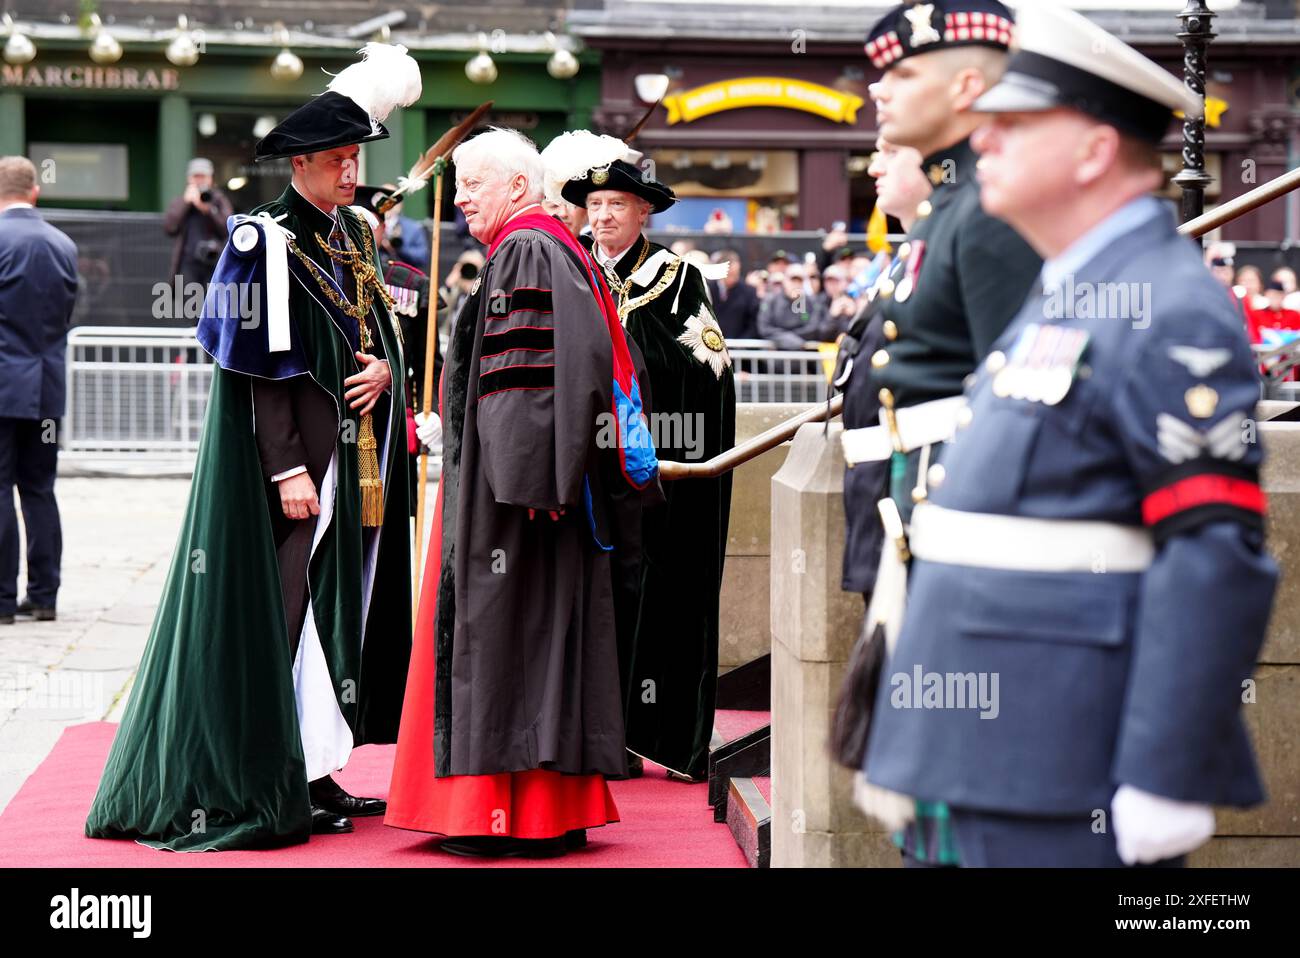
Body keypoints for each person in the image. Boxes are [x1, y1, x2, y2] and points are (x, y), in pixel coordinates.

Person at [859, 2, 1277, 868]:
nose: (983, 141)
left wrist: (1167, 773)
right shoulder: (1072, 288)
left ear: (1093, 150)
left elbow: (1212, 553)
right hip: (985, 751)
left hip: (1057, 761)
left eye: (1013, 124)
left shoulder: (1164, 305)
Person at [86, 43, 421, 850]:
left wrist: (386, 370)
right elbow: (257, 369)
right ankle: (268, 772)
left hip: (358, 453)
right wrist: (287, 468)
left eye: (355, 159)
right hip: (302, 464)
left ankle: (313, 765)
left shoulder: (354, 235)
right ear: (302, 162)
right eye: (341, 160)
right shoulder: (258, 241)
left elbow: (382, 326)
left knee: (333, 618)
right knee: (287, 612)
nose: (353, 173)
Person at [385, 128, 660, 856]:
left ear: (516, 184)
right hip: (534, 482)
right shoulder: (551, 246)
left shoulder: (525, 249)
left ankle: (492, 814)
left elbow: (539, 376)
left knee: (503, 638)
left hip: (512, 493)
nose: (462, 198)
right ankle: (541, 813)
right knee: (538, 641)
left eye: (473, 183)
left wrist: (530, 475)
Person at [843, 0, 1042, 867]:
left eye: (903, 75)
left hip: (968, 525)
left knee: (965, 788)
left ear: (967, 85)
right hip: (921, 515)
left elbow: (1027, 404)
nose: (880, 93)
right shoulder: (950, 204)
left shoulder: (992, 206)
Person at [548, 131, 737, 783]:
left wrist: (630, 371)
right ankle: (592, 738)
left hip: (656, 474)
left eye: (616, 206)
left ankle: (653, 734)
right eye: (595, 205)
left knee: (657, 599)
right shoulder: (570, 270)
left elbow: (708, 371)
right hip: (586, 474)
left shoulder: (677, 279)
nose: (602, 217)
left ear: (642, 213)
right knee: (591, 602)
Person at [833, 137, 932, 603]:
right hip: (878, 497)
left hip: (919, 497)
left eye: (892, 152)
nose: (875, 168)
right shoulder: (906, 259)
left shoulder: (944, 253)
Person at [0, 156, 78, 626]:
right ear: (35, 192)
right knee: (40, 489)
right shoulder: (62, 244)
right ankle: (44, 595)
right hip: (48, 391)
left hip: (4, 388)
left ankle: (3, 600)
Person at [162, 157, 233, 289]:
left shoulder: (219, 199)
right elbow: (169, 228)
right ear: (189, 179)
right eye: (196, 176)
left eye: (203, 177)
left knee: (214, 306)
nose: (200, 181)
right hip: (189, 264)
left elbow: (227, 229)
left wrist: (208, 209)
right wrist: (186, 202)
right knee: (190, 307)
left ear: (210, 178)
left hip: (215, 262)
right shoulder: (182, 201)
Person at [710, 248, 761, 341]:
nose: (734, 278)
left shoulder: (749, 292)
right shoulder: (708, 290)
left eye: (736, 274)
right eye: (730, 274)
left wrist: (742, 343)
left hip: (740, 347)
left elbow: (754, 323)